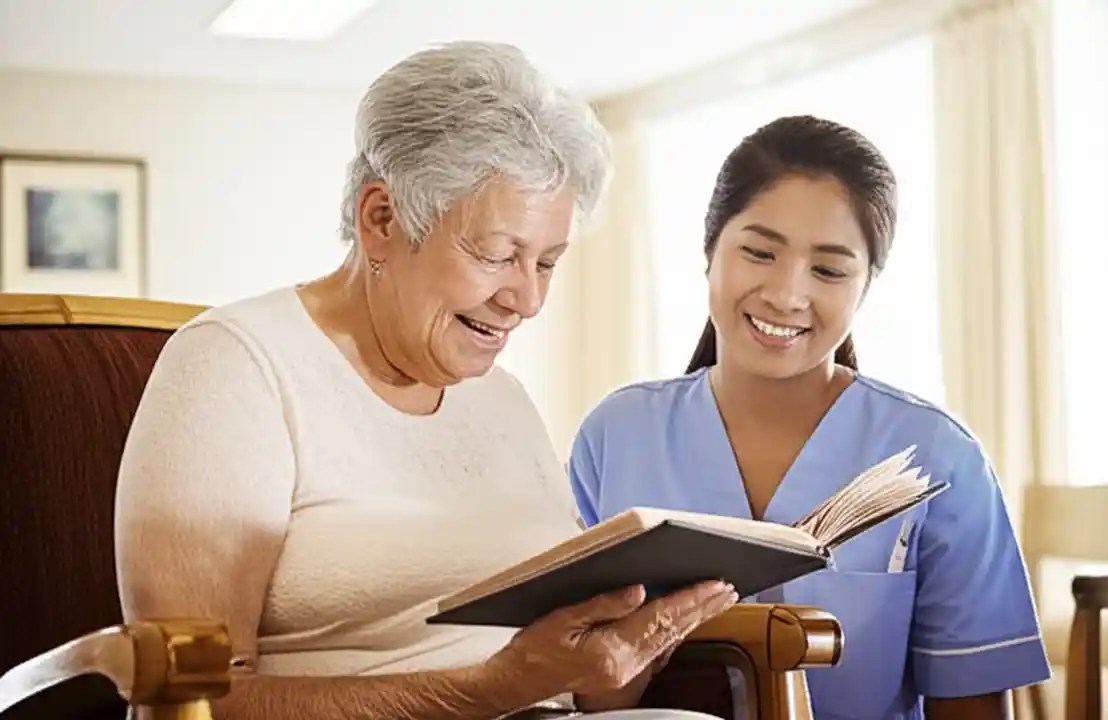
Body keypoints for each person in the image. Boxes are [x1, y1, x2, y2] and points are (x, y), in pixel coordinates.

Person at [113, 41, 736, 720]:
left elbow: (583, 692)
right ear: (381, 220)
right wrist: (492, 689)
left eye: (548, 263)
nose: (526, 300)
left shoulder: (503, 399)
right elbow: (189, 697)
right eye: (498, 255)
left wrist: (635, 638)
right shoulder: (235, 368)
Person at [568, 116, 1052, 720]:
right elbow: (576, 693)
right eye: (759, 252)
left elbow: (974, 705)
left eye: (827, 270)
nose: (787, 295)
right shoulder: (616, 437)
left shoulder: (936, 459)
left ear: (866, 286)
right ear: (709, 250)